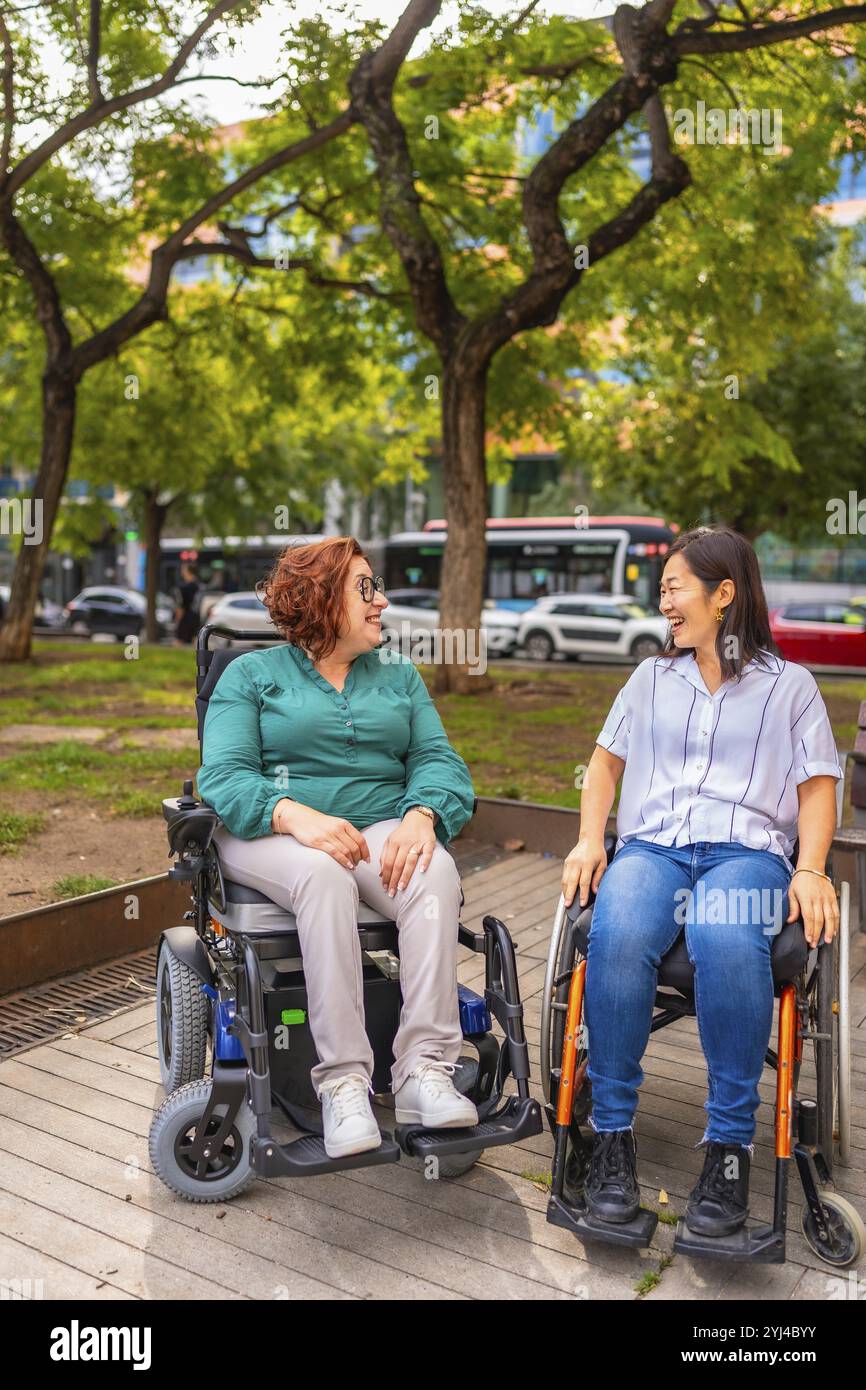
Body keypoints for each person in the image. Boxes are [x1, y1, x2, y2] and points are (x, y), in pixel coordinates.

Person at [561, 526, 842, 1236]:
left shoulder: (792, 688)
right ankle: (613, 1143)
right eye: (662, 592)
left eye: (674, 588)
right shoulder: (650, 678)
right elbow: (602, 768)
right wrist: (591, 838)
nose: (664, 604)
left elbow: (816, 788)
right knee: (618, 932)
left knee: (723, 933)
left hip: (745, 855)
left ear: (725, 594)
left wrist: (810, 867)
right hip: (652, 850)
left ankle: (727, 1151)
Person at [196, 536, 479, 1158]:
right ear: (322, 601)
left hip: (378, 825)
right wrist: (293, 814)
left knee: (434, 873)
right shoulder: (251, 676)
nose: (382, 602)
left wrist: (422, 813)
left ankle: (421, 1072)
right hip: (266, 832)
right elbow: (223, 775)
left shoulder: (399, 675)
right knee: (323, 875)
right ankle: (344, 1082)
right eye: (366, 589)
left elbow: (437, 759)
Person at [173, 563, 201, 645]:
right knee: (195, 642)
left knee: (179, 641)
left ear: (187, 572)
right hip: (196, 617)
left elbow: (181, 605)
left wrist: (177, 619)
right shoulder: (200, 586)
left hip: (185, 618)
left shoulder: (183, 588)